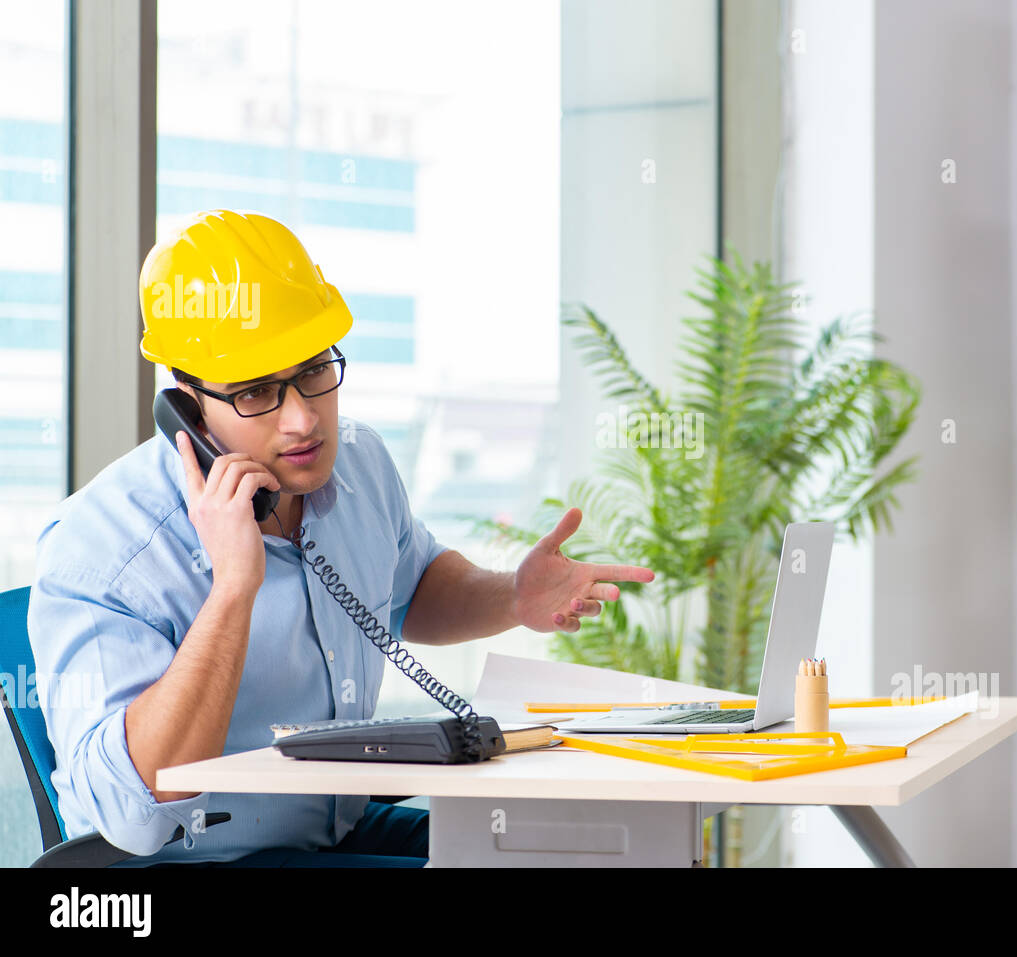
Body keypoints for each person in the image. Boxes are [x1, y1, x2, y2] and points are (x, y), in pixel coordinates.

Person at [27, 209, 654, 866]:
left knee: (573, 851)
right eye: (257, 391)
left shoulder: (356, 464)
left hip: (334, 830)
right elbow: (133, 812)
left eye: (312, 370)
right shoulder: (104, 545)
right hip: (186, 861)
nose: (302, 418)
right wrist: (234, 588)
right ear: (187, 401)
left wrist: (511, 596)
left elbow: (411, 589)